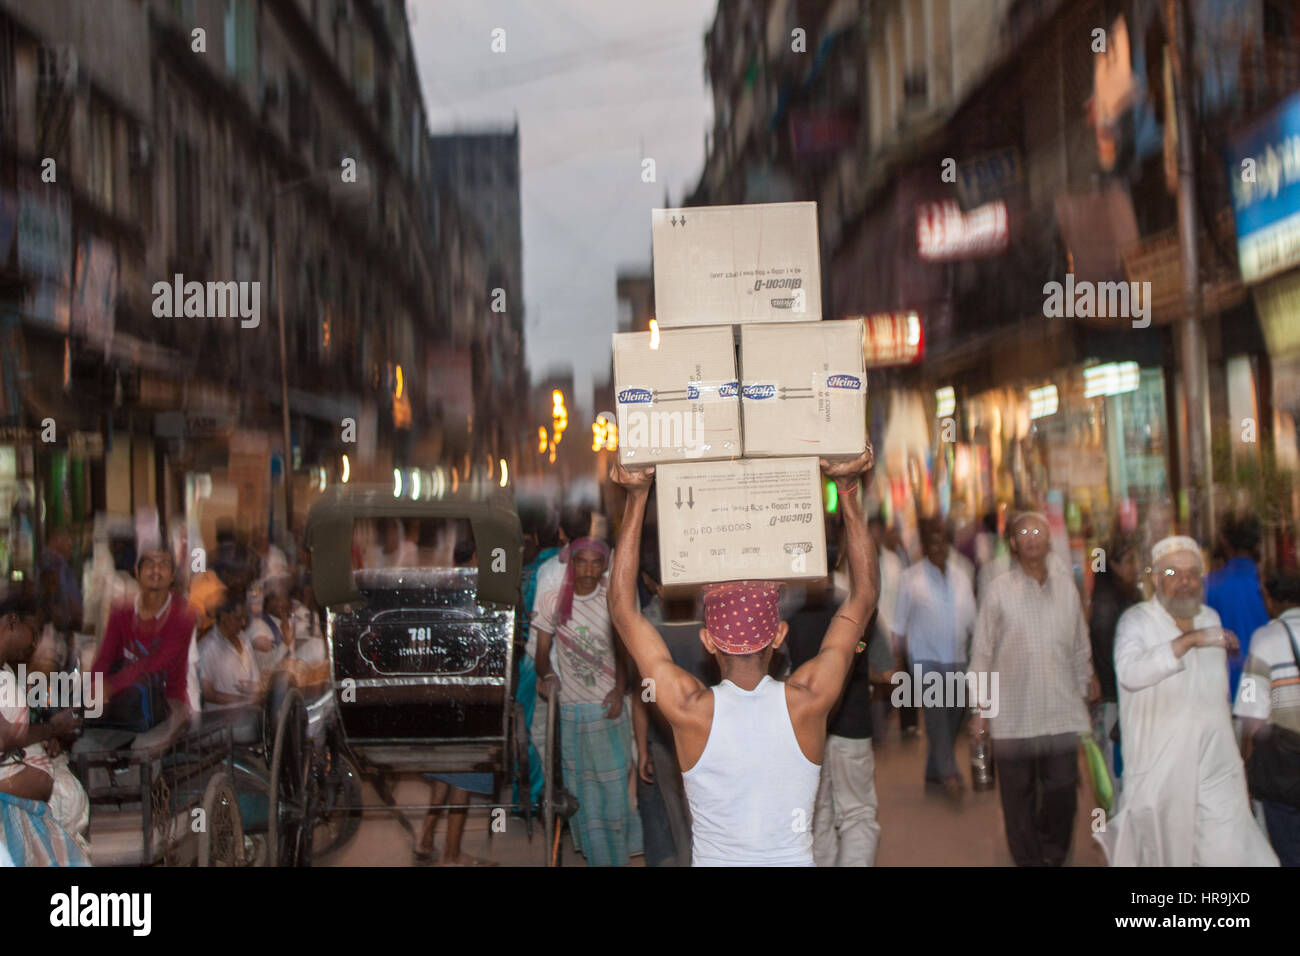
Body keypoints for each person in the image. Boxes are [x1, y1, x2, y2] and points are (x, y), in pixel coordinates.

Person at [607, 449, 879, 867]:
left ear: (708, 641)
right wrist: (847, 488)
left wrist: (637, 496)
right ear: (779, 635)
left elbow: (624, 614)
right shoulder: (809, 698)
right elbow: (864, 597)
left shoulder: (688, 709)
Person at [1097, 535, 1278, 866]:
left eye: (1192, 573)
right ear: (1155, 578)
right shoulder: (1136, 621)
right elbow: (1130, 673)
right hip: (1161, 773)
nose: (1184, 582)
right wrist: (1189, 641)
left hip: (1216, 768)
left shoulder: (1210, 618)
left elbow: (1216, 695)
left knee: (1241, 855)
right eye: (1172, 573)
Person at [968, 511, 1097, 867]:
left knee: (1062, 791)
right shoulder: (998, 592)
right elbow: (981, 652)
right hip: (1013, 719)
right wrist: (980, 711)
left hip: (1060, 714)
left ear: (1048, 539)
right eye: (1023, 532)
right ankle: (1028, 860)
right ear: (1012, 543)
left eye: (1037, 530)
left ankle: (1053, 854)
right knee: (1017, 801)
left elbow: (1079, 645)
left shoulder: (1067, 591)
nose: (1031, 537)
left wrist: (1087, 684)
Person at [786, 523, 895, 866]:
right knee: (858, 814)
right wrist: (859, 660)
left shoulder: (783, 615)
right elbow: (889, 672)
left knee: (816, 817)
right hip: (853, 726)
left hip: (805, 733)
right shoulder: (858, 611)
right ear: (839, 559)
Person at [534, 533, 641, 866]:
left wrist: (619, 687)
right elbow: (541, 654)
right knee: (584, 793)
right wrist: (547, 675)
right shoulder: (553, 600)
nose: (589, 570)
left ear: (604, 566)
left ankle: (619, 857)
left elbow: (626, 650)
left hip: (608, 708)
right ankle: (600, 860)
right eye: (582, 562)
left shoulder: (614, 597)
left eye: (596, 563)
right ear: (572, 564)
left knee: (614, 791)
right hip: (572, 710)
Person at [630, 534, 714, 867]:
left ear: (652, 582)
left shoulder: (647, 625)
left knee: (679, 821)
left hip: (666, 740)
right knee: (710, 819)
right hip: (710, 734)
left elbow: (643, 694)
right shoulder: (711, 619)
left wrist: (643, 746)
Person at [79, 549, 198, 752]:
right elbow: (105, 658)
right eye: (150, 564)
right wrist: (94, 687)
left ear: (172, 575)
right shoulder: (121, 612)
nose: (156, 570)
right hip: (127, 699)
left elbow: (155, 664)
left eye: (163, 565)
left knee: (144, 752)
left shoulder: (183, 615)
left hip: (169, 700)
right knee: (85, 748)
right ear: (137, 571)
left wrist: (109, 688)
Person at [893, 516, 977, 800]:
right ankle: (950, 774)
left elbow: (973, 621)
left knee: (954, 718)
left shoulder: (962, 575)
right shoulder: (910, 579)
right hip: (925, 660)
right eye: (933, 543)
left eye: (943, 542)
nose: (939, 547)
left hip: (957, 659)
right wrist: (897, 665)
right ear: (925, 547)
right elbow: (899, 627)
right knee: (937, 718)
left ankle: (934, 770)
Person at [0, 604, 87, 866]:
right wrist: (51, 728)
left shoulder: (7, 670)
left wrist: (43, 737)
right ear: (13, 620)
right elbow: (6, 738)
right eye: (34, 633)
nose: (35, 643)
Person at [1234, 573, 1300, 865]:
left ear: (1270, 600)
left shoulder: (1265, 639)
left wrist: (1243, 774)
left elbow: (1252, 717)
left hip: (1283, 775)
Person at [1088, 533, 1141, 786]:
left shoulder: (1123, 598)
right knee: (1116, 774)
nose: (1135, 568)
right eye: (1129, 561)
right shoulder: (1108, 606)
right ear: (1115, 566)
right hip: (1115, 700)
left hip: (1120, 699)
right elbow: (1112, 657)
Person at [1204, 516, 1270, 698]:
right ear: (1258, 544)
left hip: (1226, 690)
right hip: (1267, 688)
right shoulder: (1269, 589)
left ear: (1225, 543)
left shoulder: (1209, 587)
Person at [197, 599, 262, 713]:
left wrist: (255, 690)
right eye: (238, 618)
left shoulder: (244, 639)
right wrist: (243, 700)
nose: (242, 623)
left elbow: (256, 679)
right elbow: (207, 693)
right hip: (223, 723)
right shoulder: (207, 647)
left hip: (249, 716)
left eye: (244, 618)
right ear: (223, 616)